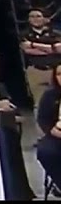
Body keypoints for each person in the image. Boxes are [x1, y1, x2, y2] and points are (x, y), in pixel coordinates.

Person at [35, 63, 61, 197]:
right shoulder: (50, 95)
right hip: (56, 135)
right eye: (59, 74)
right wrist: (51, 131)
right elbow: (43, 119)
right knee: (45, 151)